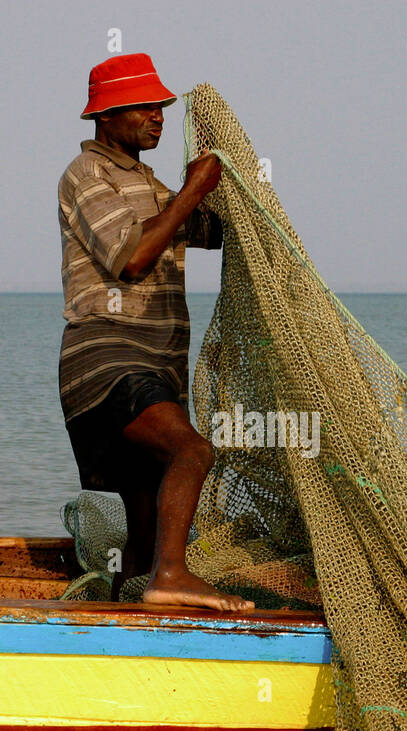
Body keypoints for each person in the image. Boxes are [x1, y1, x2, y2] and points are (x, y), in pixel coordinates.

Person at [58, 53, 252, 612]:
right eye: (142, 106)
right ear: (106, 116)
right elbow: (134, 258)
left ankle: (140, 594)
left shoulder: (148, 182)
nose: (157, 116)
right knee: (191, 451)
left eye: (161, 106)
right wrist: (192, 190)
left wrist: (228, 187)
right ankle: (174, 573)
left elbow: (212, 232)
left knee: (140, 530)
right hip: (110, 362)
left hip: (157, 370)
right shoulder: (86, 175)